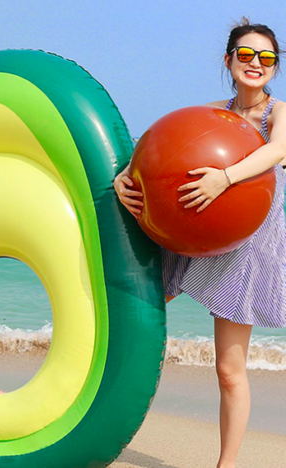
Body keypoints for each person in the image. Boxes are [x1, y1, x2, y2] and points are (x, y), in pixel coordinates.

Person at [114, 19, 286, 468]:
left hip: (245, 250)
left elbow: (276, 151)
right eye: (245, 55)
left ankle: (225, 466)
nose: (256, 64)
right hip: (189, 238)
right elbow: (158, 150)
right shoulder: (211, 113)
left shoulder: (279, 114)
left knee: (229, 372)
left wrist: (224, 177)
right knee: (121, 316)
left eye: (266, 58)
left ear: (275, 66)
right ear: (228, 60)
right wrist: (123, 178)